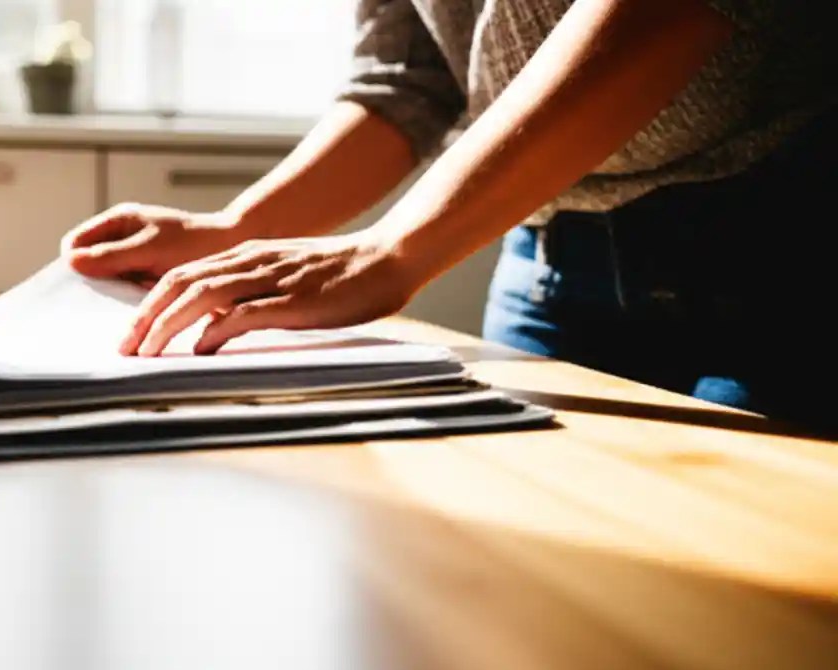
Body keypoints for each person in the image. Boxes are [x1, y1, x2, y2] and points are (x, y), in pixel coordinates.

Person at [59, 0, 835, 430]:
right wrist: (238, 227)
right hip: (549, 271)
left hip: (781, 263)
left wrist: (393, 252)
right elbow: (407, 81)